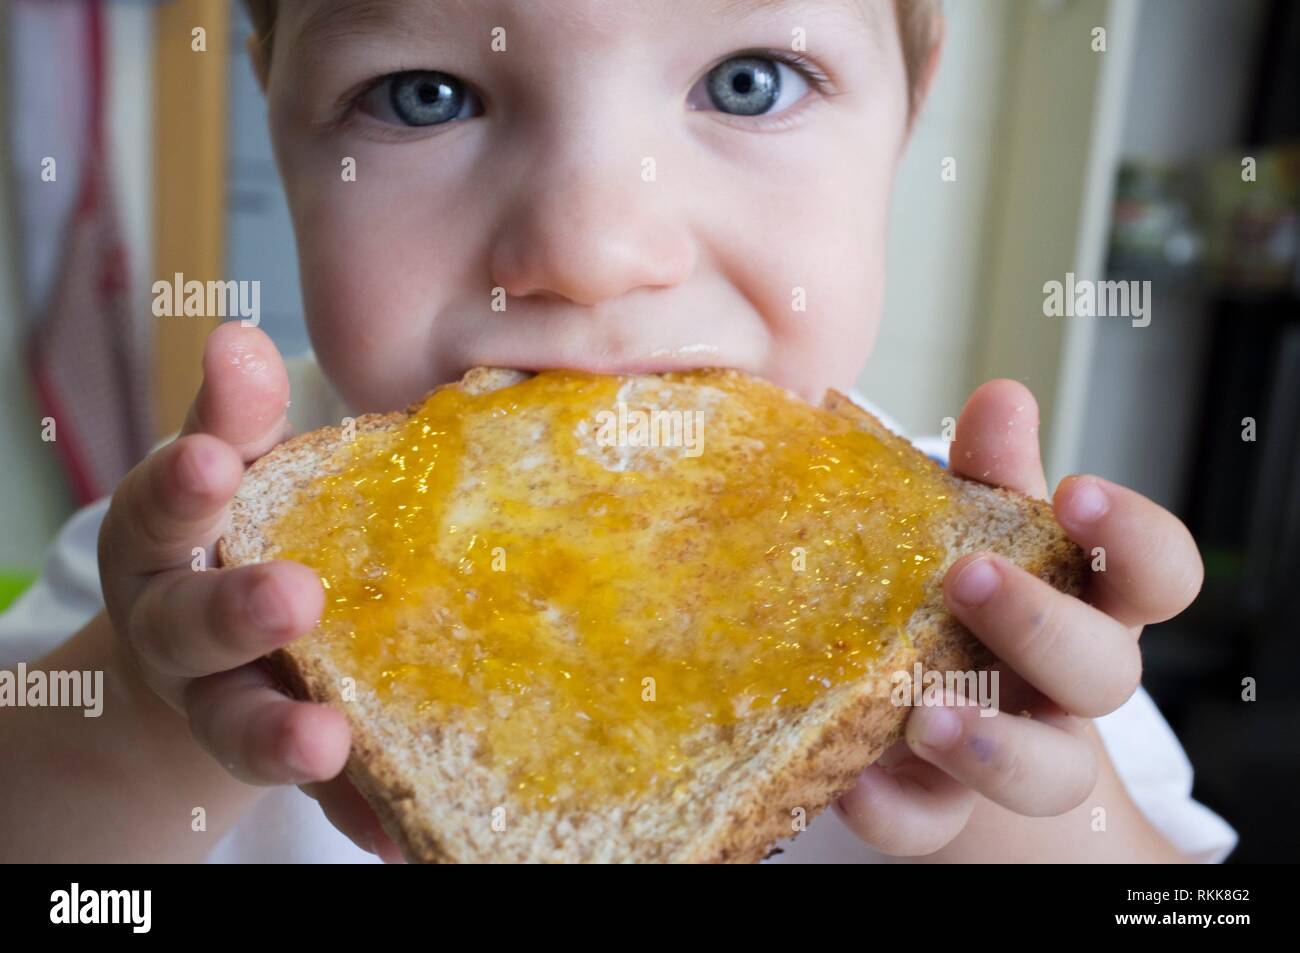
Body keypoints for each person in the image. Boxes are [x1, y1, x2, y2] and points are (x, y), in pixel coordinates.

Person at [0, 0, 1236, 863]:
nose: (589, 253)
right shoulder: (179, 576)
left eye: (748, 79)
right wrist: (152, 717)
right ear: (278, 111)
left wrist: (997, 800)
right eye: (424, 96)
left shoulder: (991, 622)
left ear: (907, 113)